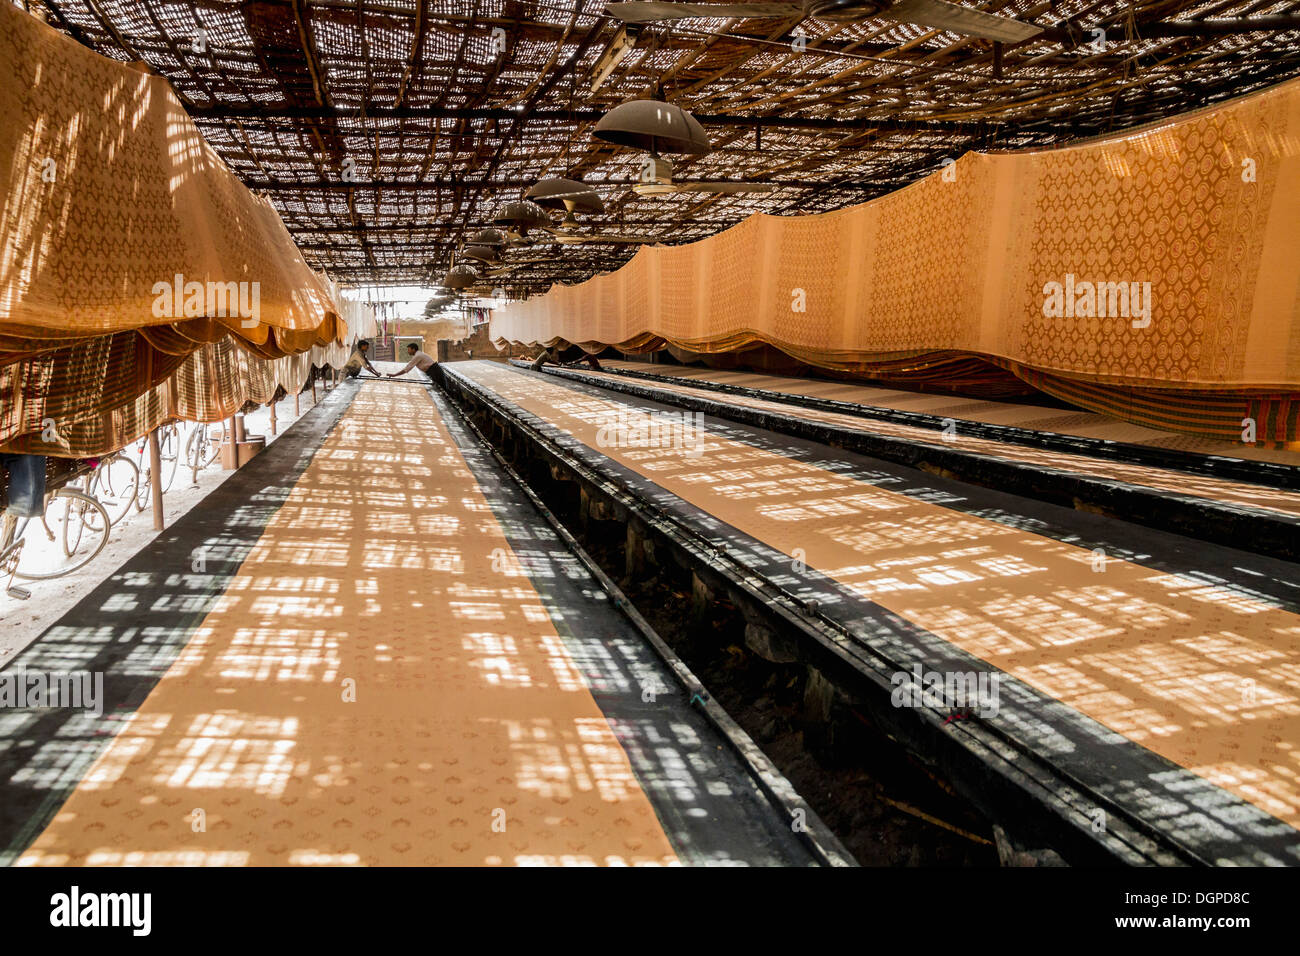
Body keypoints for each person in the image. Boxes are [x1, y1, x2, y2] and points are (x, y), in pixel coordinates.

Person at [531, 346, 602, 372]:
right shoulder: (545, 355)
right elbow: (535, 366)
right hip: (565, 358)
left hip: (568, 357)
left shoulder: (568, 351)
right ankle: (596, 366)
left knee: (588, 355)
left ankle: (596, 366)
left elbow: (588, 356)